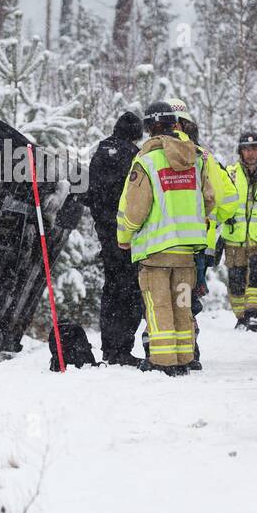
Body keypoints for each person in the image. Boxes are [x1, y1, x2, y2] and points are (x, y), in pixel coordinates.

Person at [116, 101, 217, 376]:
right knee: (183, 304)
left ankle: (163, 362)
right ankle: (185, 358)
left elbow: (135, 209)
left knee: (158, 305)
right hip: (187, 252)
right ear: (175, 124)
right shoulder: (196, 158)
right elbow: (210, 199)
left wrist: (124, 235)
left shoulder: (147, 161)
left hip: (156, 252)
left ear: (148, 128)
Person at [169, 100, 238, 370]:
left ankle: (159, 346)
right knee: (186, 297)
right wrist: (209, 222)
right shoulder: (204, 157)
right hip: (197, 245)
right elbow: (229, 199)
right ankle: (188, 349)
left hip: (159, 246)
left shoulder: (149, 154)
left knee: (161, 296)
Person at [87, 110, 145, 365]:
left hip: (105, 233)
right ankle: (122, 348)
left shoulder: (99, 154)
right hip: (127, 233)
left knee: (111, 289)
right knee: (130, 291)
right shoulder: (134, 156)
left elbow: (91, 194)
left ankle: (110, 347)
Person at [222, 131, 257, 331]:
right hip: (234, 237)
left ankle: (254, 315)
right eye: (246, 149)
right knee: (236, 280)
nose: (250, 154)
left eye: (254, 149)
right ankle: (241, 316)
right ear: (240, 152)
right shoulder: (230, 173)